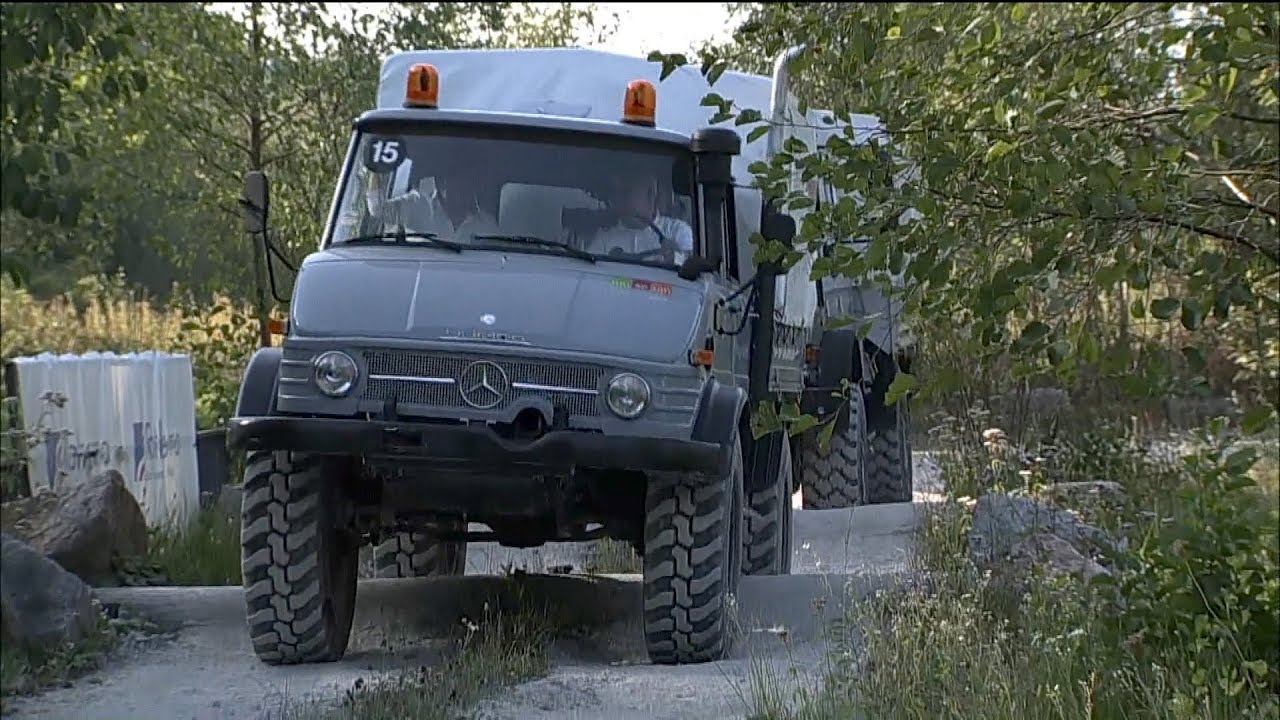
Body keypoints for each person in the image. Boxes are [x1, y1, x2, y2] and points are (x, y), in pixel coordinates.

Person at [364, 164, 499, 242]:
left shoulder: (486, 225)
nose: (450, 186)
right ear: (440, 182)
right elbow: (377, 209)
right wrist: (375, 164)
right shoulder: (416, 205)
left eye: (464, 181)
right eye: (448, 178)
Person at [582, 175, 694, 264]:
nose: (618, 198)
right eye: (615, 192)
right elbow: (588, 269)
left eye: (627, 191)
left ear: (651, 194)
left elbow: (692, 273)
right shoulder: (604, 238)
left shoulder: (678, 231)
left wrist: (674, 258)